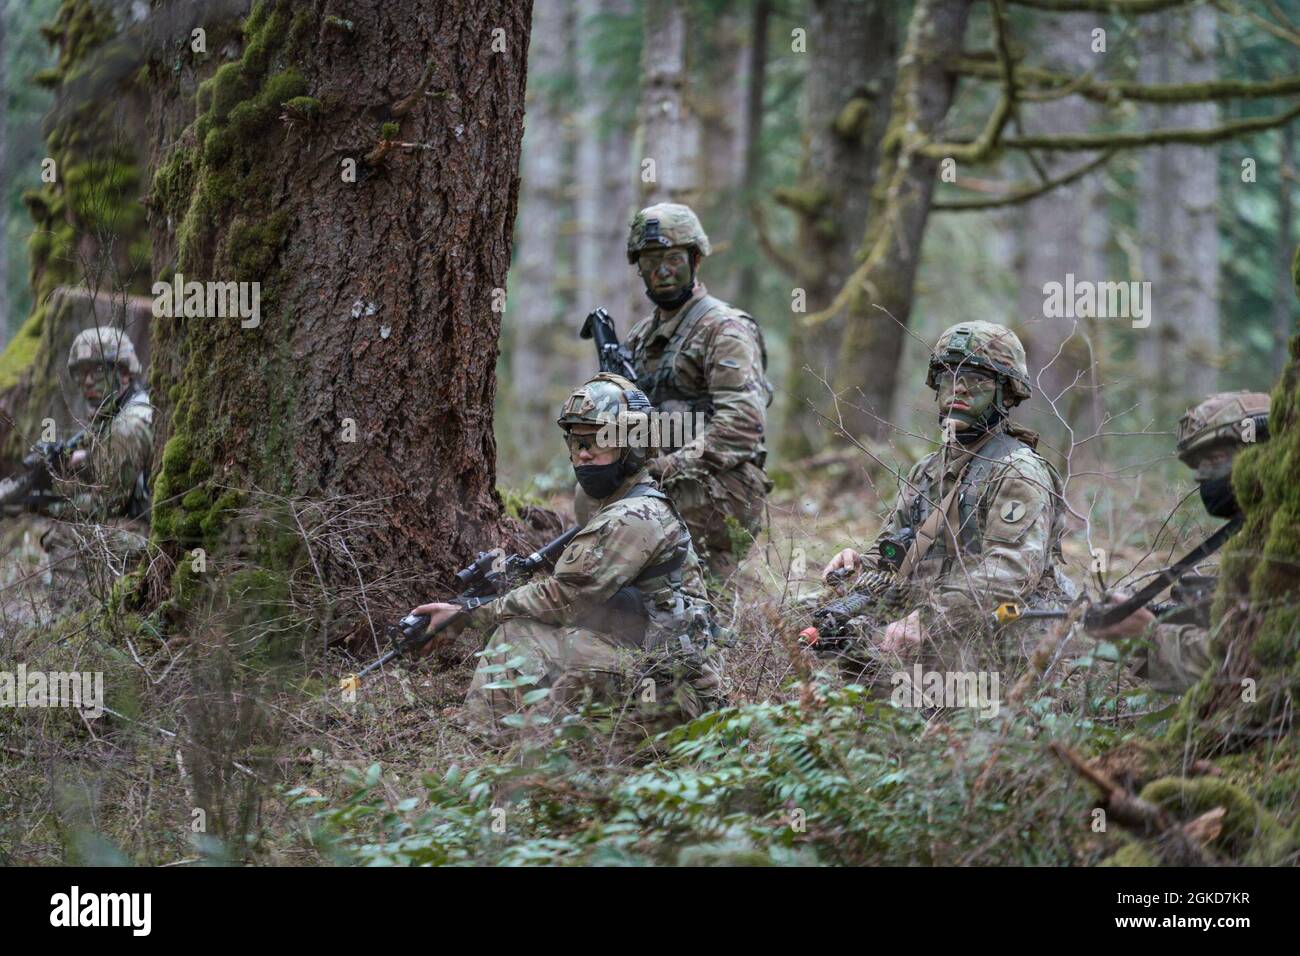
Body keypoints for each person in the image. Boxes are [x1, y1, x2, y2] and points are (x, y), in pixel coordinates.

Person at [411, 373, 725, 734]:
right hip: (652, 671)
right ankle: (532, 734)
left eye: (598, 440)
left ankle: (481, 742)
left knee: (516, 636)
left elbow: (565, 598)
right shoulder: (618, 505)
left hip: (673, 693)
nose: (584, 453)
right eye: (576, 442)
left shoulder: (636, 515)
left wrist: (469, 614)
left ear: (633, 445)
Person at [818, 321, 1073, 677]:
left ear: (1006, 392)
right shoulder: (928, 470)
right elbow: (896, 550)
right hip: (935, 628)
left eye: (977, 379)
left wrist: (928, 617)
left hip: (1004, 636)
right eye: (950, 376)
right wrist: (861, 565)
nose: (960, 388)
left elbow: (1010, 574)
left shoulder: (1018, 471)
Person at [621, 202, 772, 578]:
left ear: (695, 260)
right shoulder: (639, 337)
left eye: (673, 259)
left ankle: (703, 579)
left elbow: (743, 425)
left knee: (641, 514)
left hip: (726, 484)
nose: (662, 271)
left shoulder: (725, 329)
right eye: (650, 261)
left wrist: (670, 465)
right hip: (664, 479)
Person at [1087, 391, 1270, 693]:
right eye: (1198, 464)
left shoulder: (1287, 535)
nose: (1201, 475)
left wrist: (1149, 636)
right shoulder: (1262, 529)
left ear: (1262, 452)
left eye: (1215, 458)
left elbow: (1254, 666)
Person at [43, 326, 154, 611]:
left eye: (98, 371)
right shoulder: (113, 414)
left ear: (124, 372)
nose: (88, 381)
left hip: (152, 538)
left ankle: (71, 621)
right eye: (81, 373)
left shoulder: (127, 426)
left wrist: (48, 505)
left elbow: (105, 506)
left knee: (66, 534)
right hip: (138, 525)